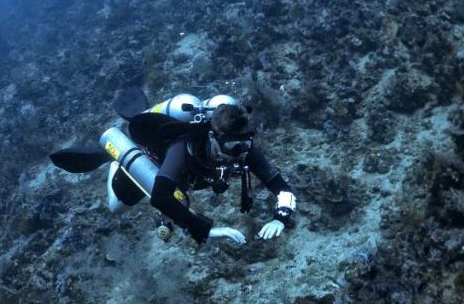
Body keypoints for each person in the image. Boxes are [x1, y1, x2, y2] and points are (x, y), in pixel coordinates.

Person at [51, 89, 297, 245]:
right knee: (117, 207)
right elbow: (159, 197)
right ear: (213, 138)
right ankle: (115, 155)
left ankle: (137, 123)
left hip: (189, 177)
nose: (239, 155)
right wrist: (204, 229)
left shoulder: (242, 148)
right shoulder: (181, 149)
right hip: (155, 162)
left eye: (244, 145)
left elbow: (281, 187)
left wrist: (280, 218)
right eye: (232, 147)